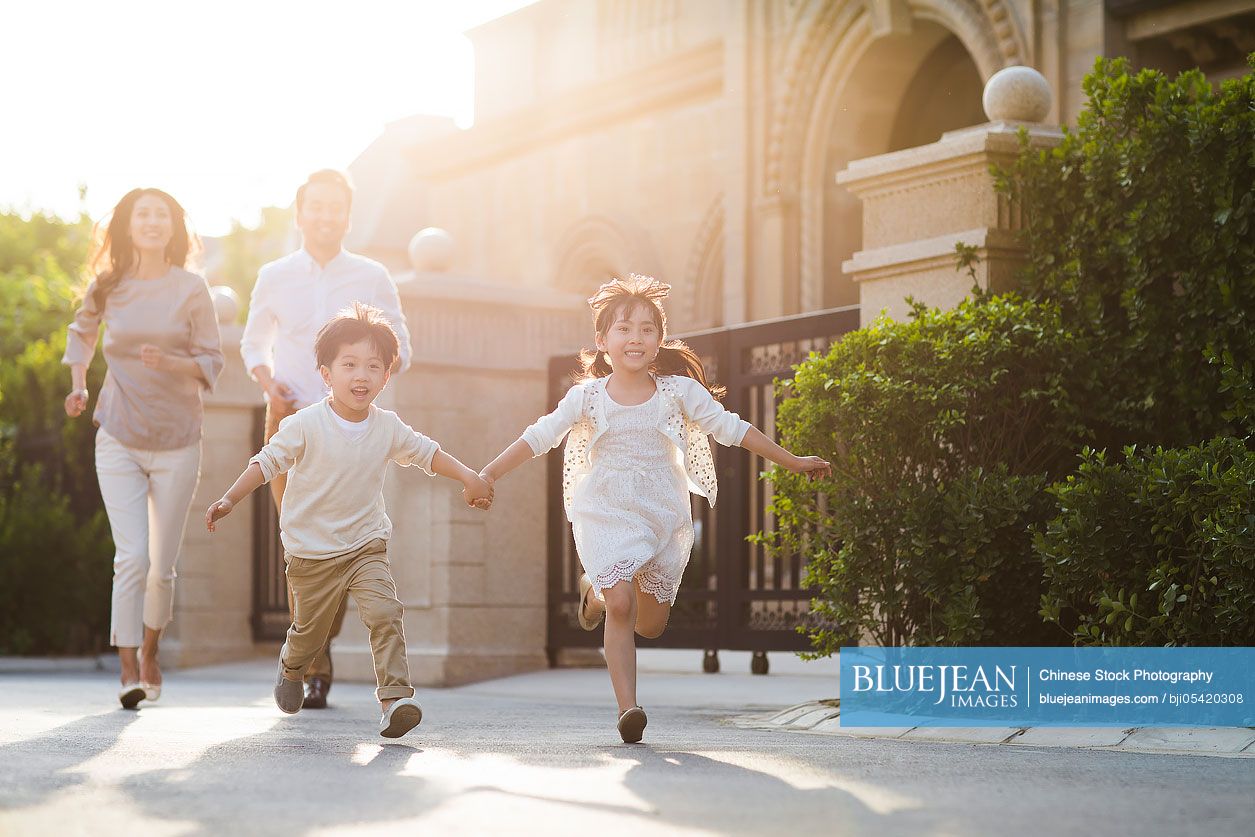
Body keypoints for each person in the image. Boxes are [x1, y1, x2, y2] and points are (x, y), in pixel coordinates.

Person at [478, 275, 830, 742]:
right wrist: (488, 474)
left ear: (660, 340)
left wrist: (792, 459)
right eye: (623, 329)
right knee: (623, 604)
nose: (635, 338)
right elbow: (540, 436)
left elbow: (731, 428)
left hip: (661, 513)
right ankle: (629, 709)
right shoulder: (585, 397)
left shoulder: (677, 393)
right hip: (603, 509)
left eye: (647, 329)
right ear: (602, 342)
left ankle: (594, 593)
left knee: (652, 623)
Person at [206, 303, 491, 738]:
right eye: (349, 365)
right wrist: (229, 498)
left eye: (373, 366)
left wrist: (469, 476)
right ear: (326, 374)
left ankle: (395, 700)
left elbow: (427, 453)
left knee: (385, 612)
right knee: (310, 633)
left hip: (365, 545)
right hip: (310, 551)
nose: (361, 376)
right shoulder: (305, 424)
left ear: (386, 375)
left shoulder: (388, 426)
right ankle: (293, 664)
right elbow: (267, 462)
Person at [239, 168, 413, 709]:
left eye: (335, 207)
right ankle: (315, 665)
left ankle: (316, 641)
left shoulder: (372, 276)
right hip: (290, 422)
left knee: (348, 546)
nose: (325, 215)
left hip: (350, 430)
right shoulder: (274, 274)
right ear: (300, 212)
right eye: (315, 206)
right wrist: (271, 386)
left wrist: (364, 379)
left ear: (348, 215)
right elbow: (252, 344)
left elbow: (402, 347)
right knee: (304, 546)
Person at [62, 188, 224, 709]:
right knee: (131, 556)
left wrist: (171, 362)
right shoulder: (109, 285)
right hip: (118, 433)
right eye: (142, 215)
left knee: (161, 565)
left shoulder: (192, 288)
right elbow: (81, 332)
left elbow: (212, 361)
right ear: (128, 226)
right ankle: (129, 667)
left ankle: (152, 651)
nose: (152, 223)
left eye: (161, 215)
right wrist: (78, 382)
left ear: (174, 228)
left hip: (178, 440)